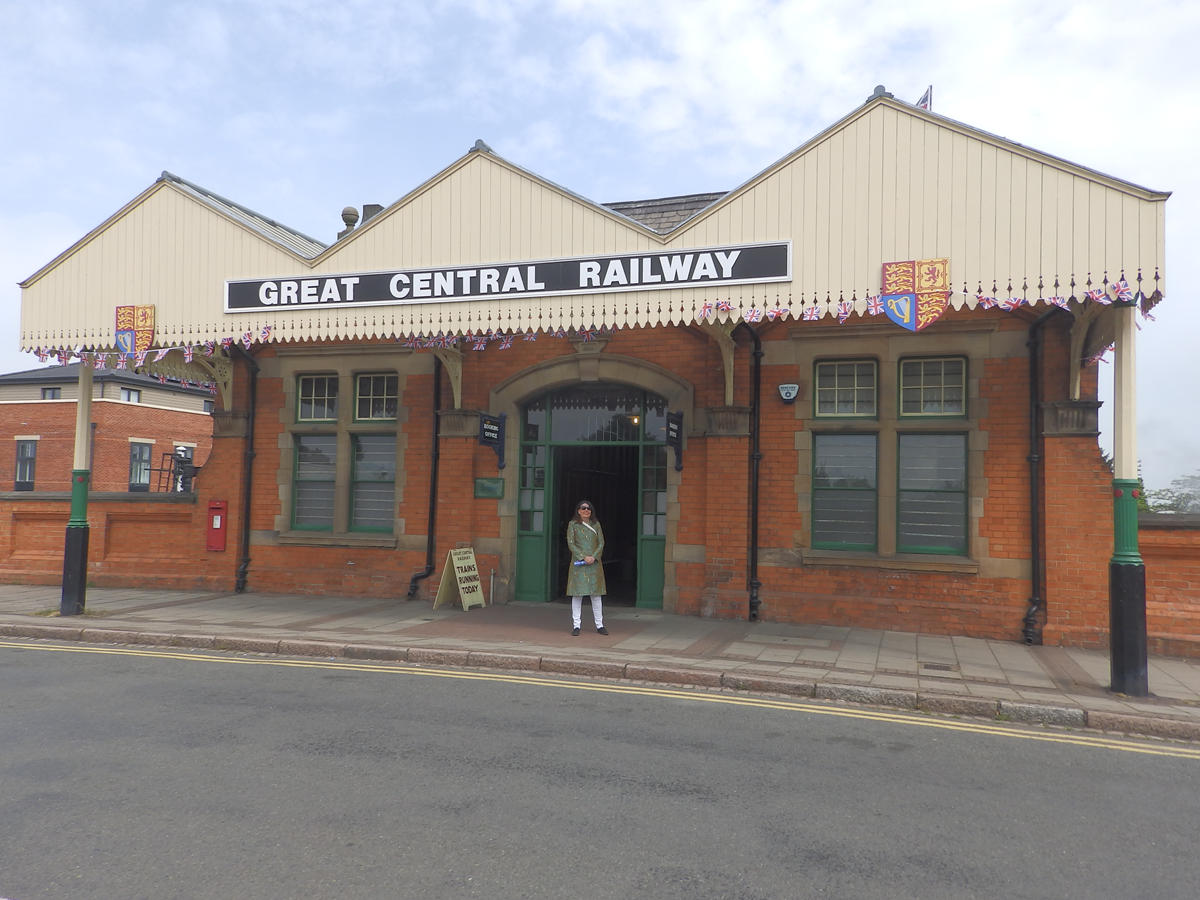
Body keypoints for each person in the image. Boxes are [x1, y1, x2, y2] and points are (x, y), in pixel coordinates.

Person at [566, 500, 608, 636]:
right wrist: (583, 557)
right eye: (583, 508)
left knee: (596, 595)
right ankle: (576, 625)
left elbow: (601, 542)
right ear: (578, 510)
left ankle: (600, 625)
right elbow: (571, 543)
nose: (586, 510)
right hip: (579, 564)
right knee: (577, 595)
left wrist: (594, 557)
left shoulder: (596, 524)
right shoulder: (573, 525)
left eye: (588, 508)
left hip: (594, 563)